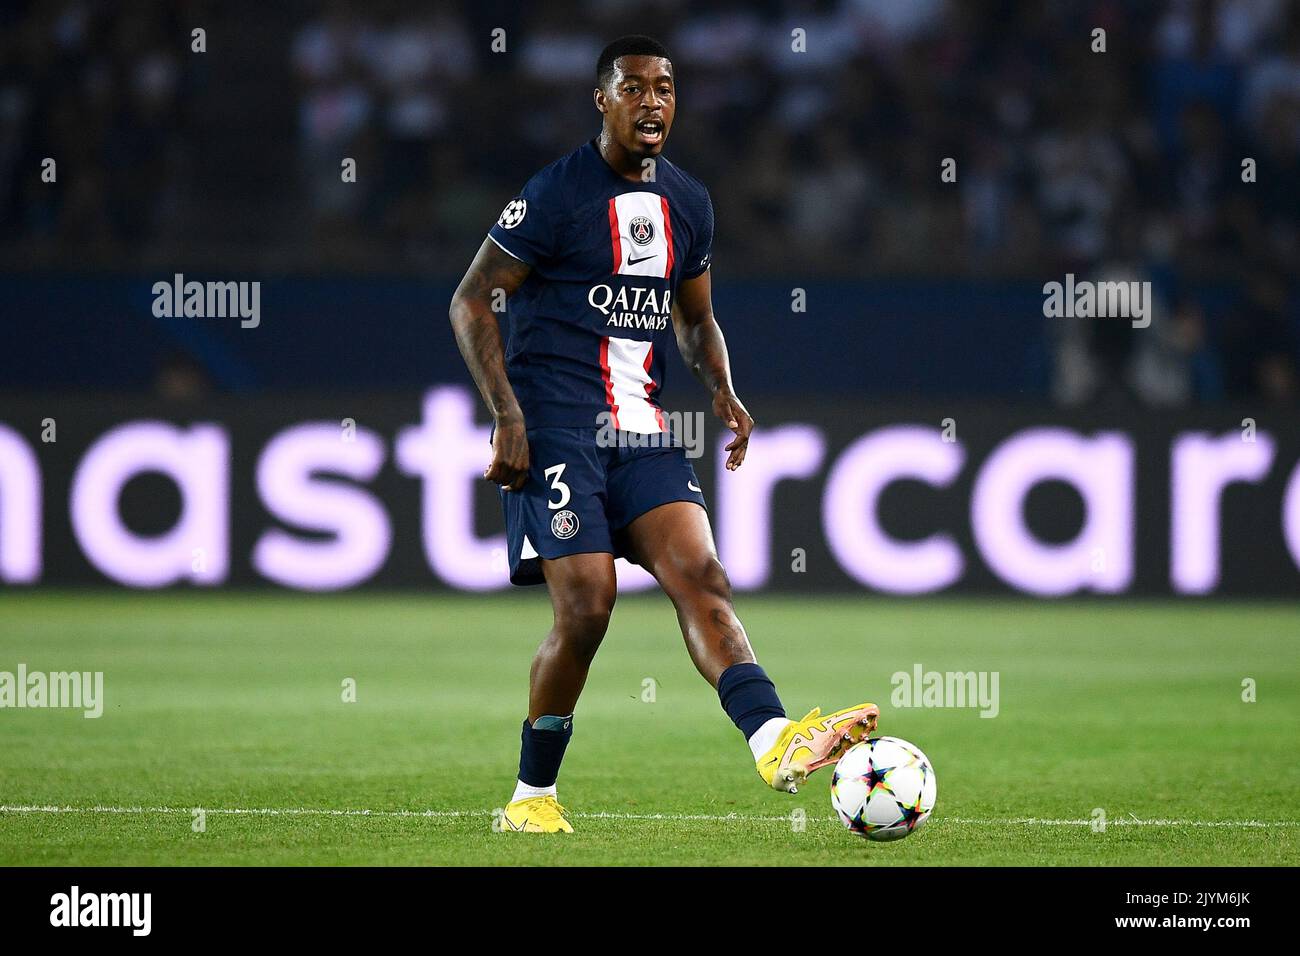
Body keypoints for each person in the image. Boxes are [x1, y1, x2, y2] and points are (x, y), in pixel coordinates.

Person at [448, 35, 878, 833]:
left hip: (643, 428)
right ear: (602, 100)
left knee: (702, 576)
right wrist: (508, 415)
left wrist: (722, 388)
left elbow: (696, 315)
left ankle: (775, 739)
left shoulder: (690, 202)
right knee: (588, 610)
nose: (653, 101)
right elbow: (471, 300)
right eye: (635, 86)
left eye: (667, 88)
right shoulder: (554, 196)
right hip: (558, 428)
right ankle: (531, 800)